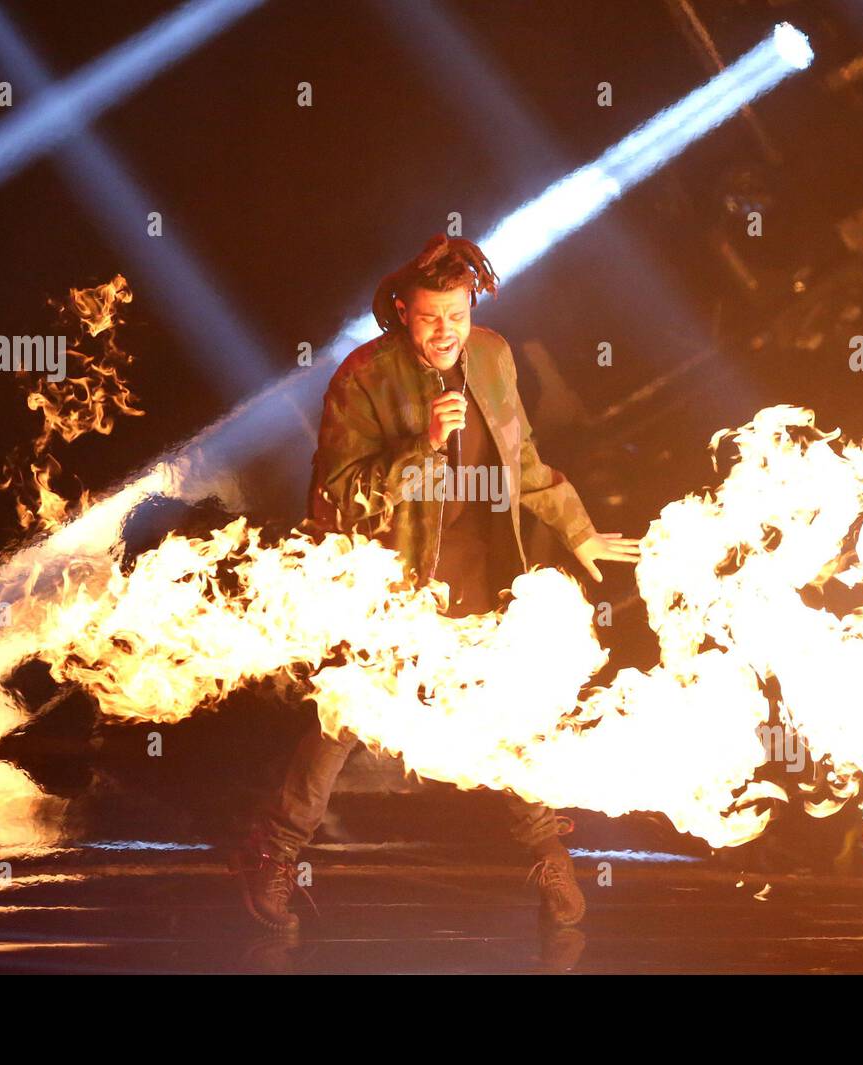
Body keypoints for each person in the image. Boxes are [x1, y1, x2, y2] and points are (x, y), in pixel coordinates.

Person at [239, 234, 640, 932]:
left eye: (457, 313)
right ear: (401, 311)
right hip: (392, 578)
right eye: (430, 317)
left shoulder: (492, 355)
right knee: (345, 720)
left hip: (478, 571)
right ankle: (274, 853)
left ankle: (549, 856)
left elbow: (526, 462)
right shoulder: (364, 376)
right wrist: (417, 446)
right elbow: (336, 497)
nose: (446, 331)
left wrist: (577, 528)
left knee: (510, 714)